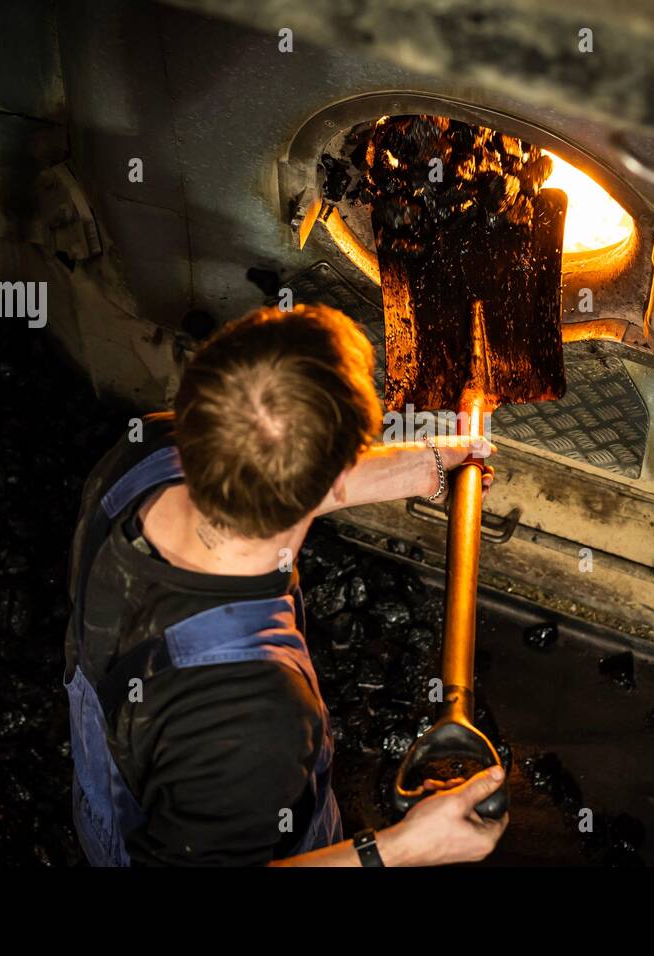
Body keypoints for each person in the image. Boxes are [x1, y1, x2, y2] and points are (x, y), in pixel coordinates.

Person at [63, 302, 507, 866]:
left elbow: (267, 468)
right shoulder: (255, 716)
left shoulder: (146, 451)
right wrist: (399, 848)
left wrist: (429, 464)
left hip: (112, 794)